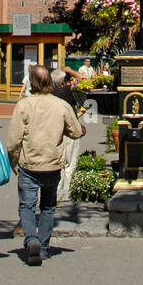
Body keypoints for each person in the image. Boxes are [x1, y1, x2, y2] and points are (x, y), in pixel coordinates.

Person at [6, 64, 85, 264]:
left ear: (32, 83)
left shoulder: (24, 105)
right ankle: (43, 247)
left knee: (27, 205)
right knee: (48, 207)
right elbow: (75, 131)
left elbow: (14, 140)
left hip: (29, 163)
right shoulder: (61, 105)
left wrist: (13, 162)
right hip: (52, 163)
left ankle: (31, 238)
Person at [52, 68, 85, 202]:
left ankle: (57, 191)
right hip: (70, 130)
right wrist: (71, 71)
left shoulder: (49, 93)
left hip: (54, 131)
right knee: (70, 163)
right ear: (63, 81)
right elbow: (84, 80)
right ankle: (67, 192)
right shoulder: (68, 91)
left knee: (58, 162)